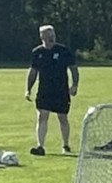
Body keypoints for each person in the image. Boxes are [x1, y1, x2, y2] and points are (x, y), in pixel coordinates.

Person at [25, 24, 79, 156]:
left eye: (52, 35)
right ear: (42, 37)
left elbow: (73, 68)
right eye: (48, 36)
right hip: (44, 90)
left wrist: (75, 85)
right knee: (42, 116)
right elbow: (33, 72)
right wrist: (28, 89)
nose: (51, 38)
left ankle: (66, 145)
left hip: (61, 90)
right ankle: (40, 146)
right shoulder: (37, 53)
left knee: (63, 118)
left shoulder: (64, 51)